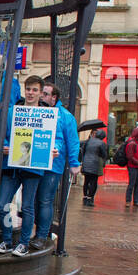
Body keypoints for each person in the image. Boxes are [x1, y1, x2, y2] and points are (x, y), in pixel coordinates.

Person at [26, 80, 80, 252]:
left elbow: (72, 141)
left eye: (45, 94)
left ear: (54, 97)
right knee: (33, 200)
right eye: (42, 93)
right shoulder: (36, 111)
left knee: (45, 199)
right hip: (33, 163)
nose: (42, 96)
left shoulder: (65, 116)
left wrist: (74, 163)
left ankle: (42, 235)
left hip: (52, 165)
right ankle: (39, 231)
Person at [0, 75, 43, 256]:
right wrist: (5, 146)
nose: (30, 93)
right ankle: (7, 240)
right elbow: (4, 135)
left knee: (28, 206)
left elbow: (50, 139)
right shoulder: (12, 112)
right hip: (12, 166)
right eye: (28, 89)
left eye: (35, 90)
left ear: (40, 93)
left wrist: (53, 150)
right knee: (2, 204)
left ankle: (23, 243)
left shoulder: (47, 114)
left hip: (33, 167)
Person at [80, 128, 108, 206]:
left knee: (86, 181)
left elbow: (83, 150)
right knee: (93, 182)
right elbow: (104, 154)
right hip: (94, 164)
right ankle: (89, 199)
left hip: (86, 163)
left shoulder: (89, 141)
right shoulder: (102, 143)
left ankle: (85, 198)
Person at [125, 125, 138, 208]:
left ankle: (136, 201)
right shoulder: (132, 143)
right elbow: (130, 156)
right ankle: (128, 200)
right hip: (133, 167)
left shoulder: (136, 142)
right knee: (132, 184)